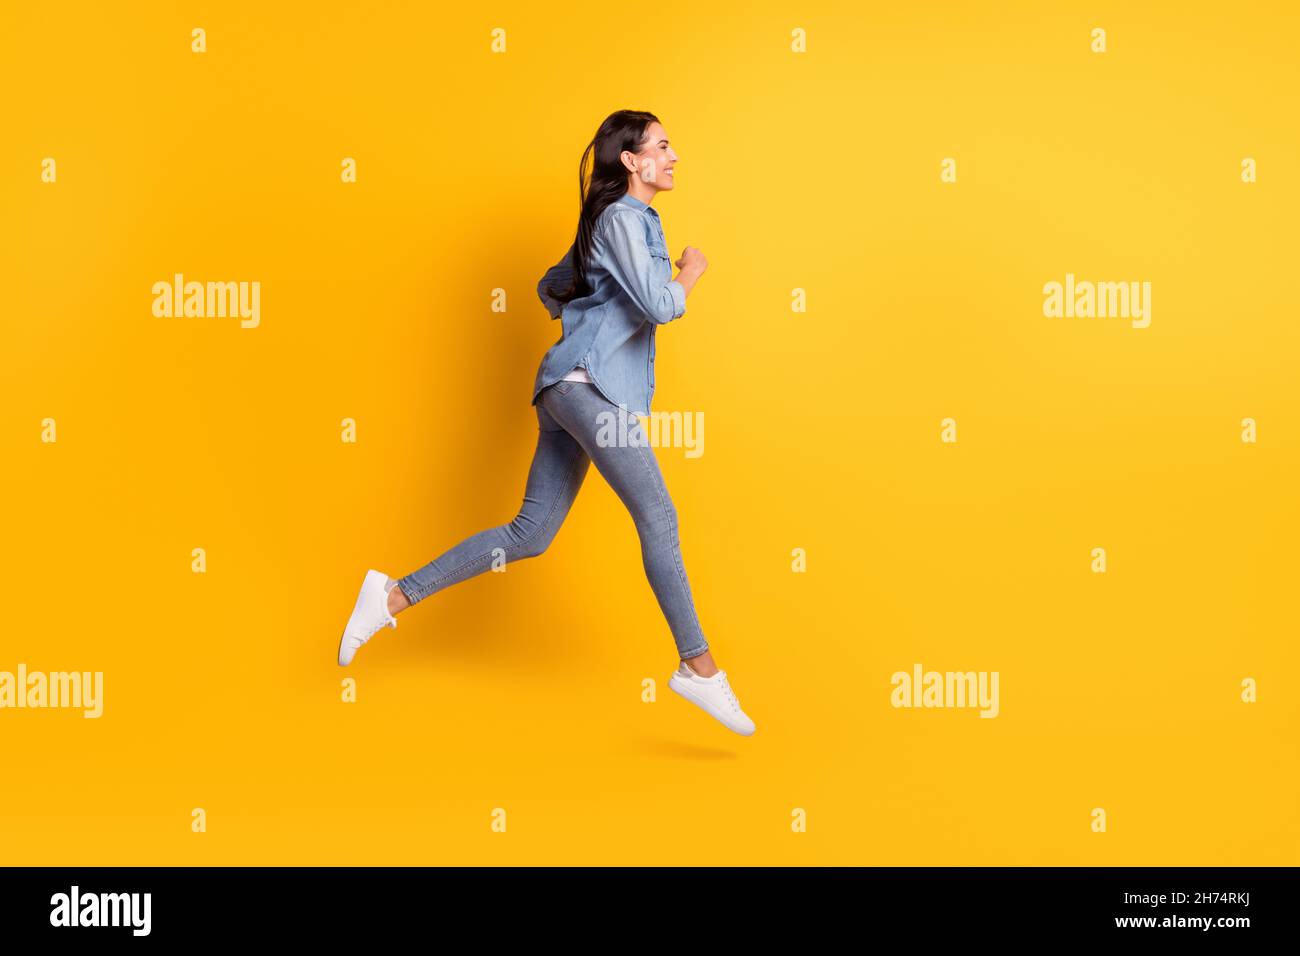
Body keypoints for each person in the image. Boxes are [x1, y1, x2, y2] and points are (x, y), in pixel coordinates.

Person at [336, 110, 755, 736]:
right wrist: (689, 271)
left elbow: (552, 285)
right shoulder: (621, 219)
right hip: (590, 390)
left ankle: (391, 594)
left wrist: (588, 317)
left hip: (569, 389)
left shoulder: (612, 222)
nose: (674, 156)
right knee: (658, 517)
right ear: (632, 162)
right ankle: (698, 667)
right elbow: (662, 305)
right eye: (662, 146)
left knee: (531, 533)